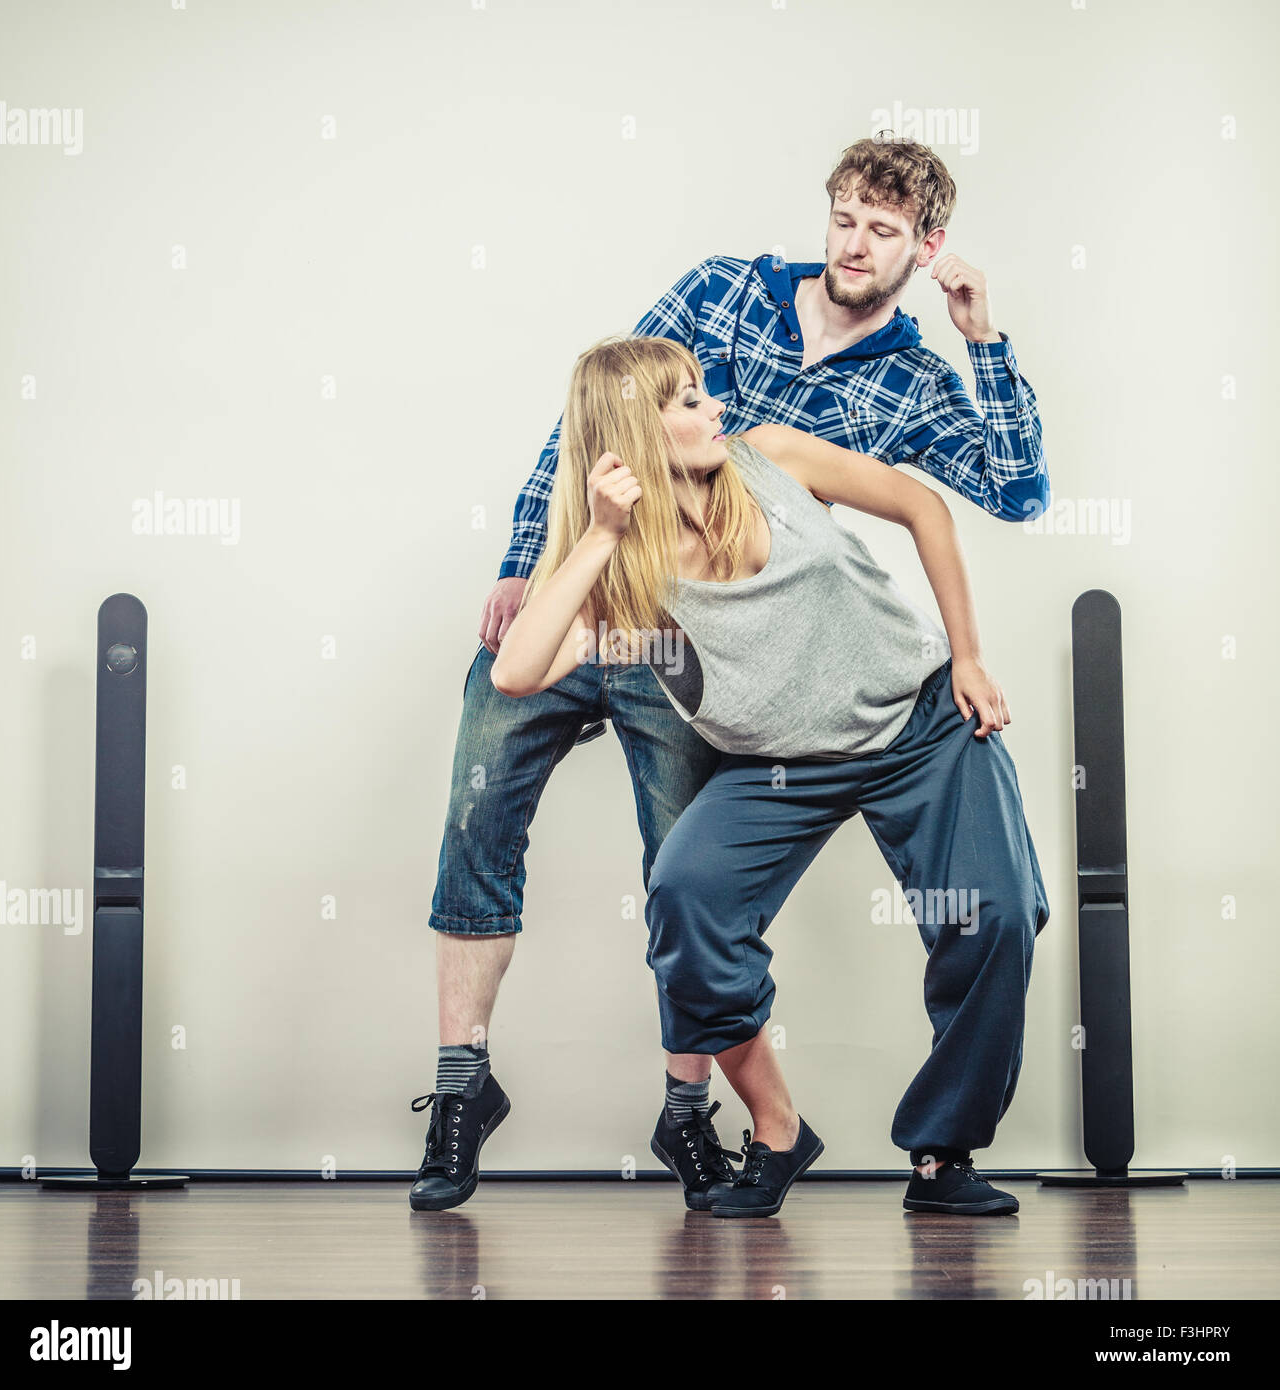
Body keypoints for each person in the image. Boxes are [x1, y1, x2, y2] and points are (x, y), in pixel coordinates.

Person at [411, 133, 1050, 1214]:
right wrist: (562, 552)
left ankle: (925, 1153)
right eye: (844, 217)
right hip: (765, 735)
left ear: (922, 246)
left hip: (908, 723)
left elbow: (997, 492)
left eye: (882, 230)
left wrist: (982, 342)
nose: (854, 242)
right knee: (681, 887)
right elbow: (526, 643)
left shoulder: (790, 437)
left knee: (988, 914)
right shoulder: (714, 313)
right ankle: (732, 1120)